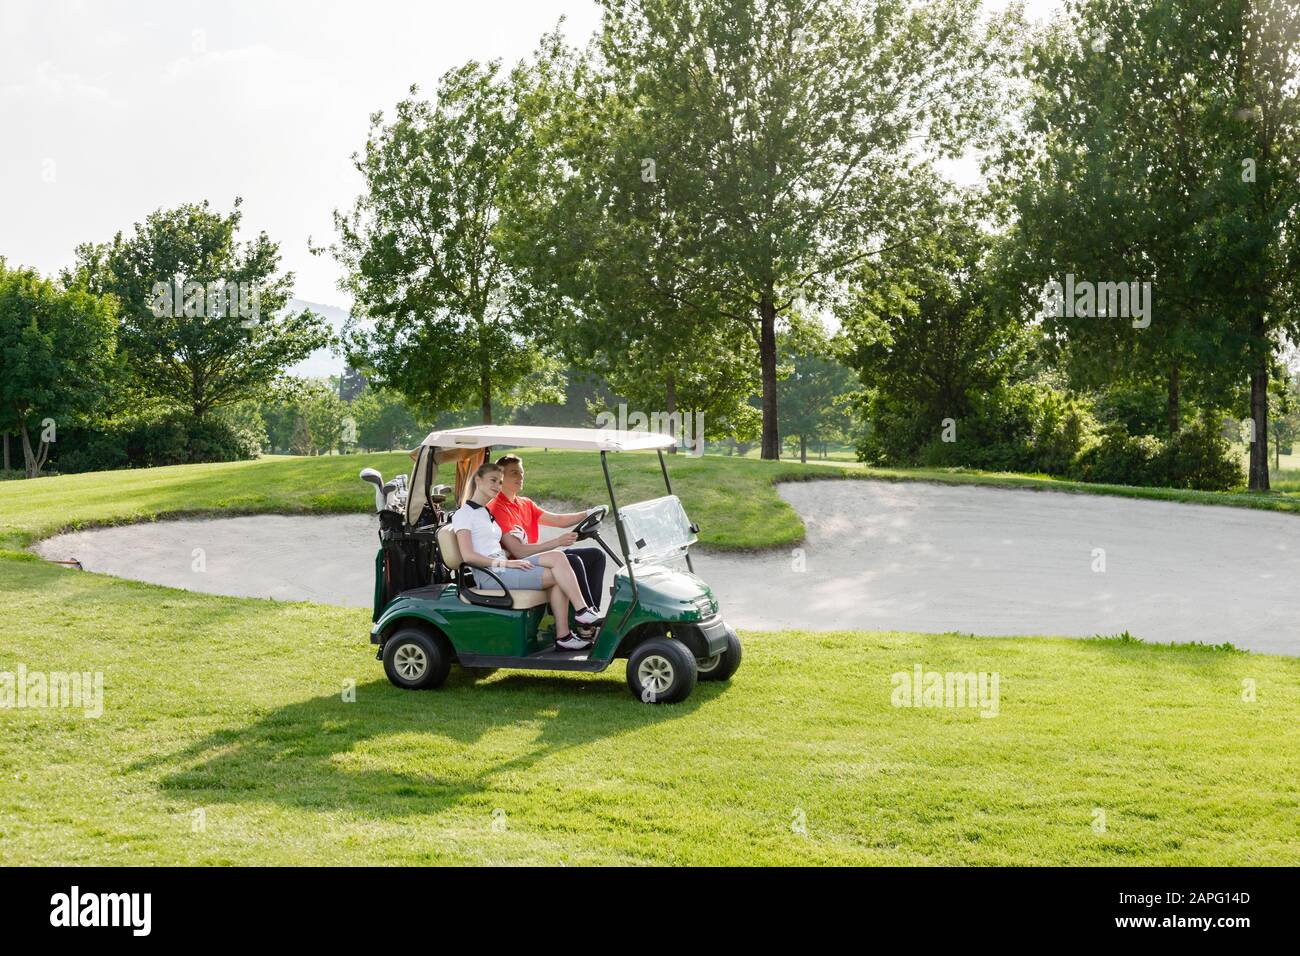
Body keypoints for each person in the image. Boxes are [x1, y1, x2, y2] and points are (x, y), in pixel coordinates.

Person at [452, 462, 602, 651]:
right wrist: (507, 563)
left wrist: (515, 543)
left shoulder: (484, 513)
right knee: (559, 574)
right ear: (478, 479)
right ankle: (577, 620)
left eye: (499, 482)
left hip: (502, 566)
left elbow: (491, 546)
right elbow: (468, 555)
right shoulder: (464, 514)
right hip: (490, 575)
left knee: (558, 558)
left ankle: (573, 624)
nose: (497, 486)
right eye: (493, 481)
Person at [487, 454, 607, 613]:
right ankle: (585, 620)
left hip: (535, 558)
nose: (520, 476)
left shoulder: (525, 503)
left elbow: (558, 520)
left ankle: (593, 612)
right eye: (514, 473)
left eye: (521, 472)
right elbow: (518, 551)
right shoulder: (497, 508)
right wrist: (558, 541)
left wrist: (587, 513)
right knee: (573, 561)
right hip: (516, 565)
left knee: (596, 555)